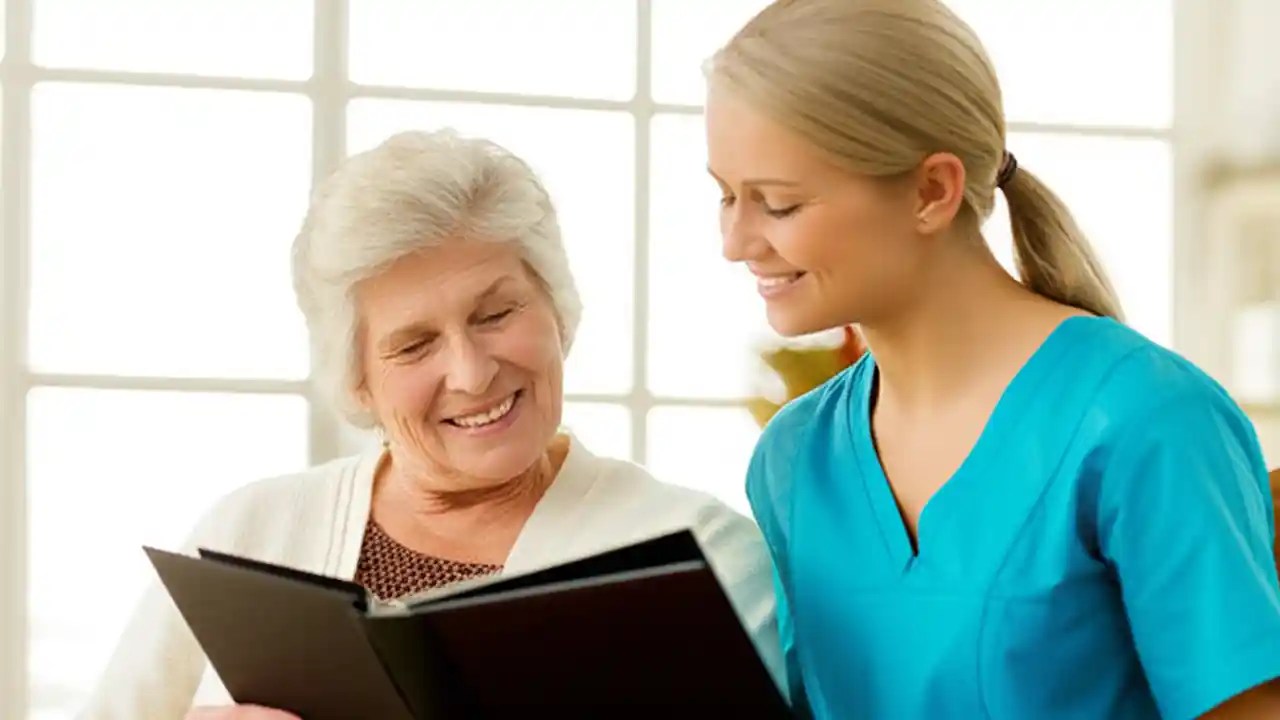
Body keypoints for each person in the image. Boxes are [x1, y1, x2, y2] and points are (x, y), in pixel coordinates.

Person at [81, 129, 783, 719]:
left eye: (497, 313)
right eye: (414, 345)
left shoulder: (702, 554)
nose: (473, 374)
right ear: (358, 378)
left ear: (557, 308)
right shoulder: (249, 532)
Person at [704, 1, 1280, 718]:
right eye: (725, 196)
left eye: (778, 204)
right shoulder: (796, 458)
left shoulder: (1145, 419)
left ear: (931, 190)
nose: (735, 241)